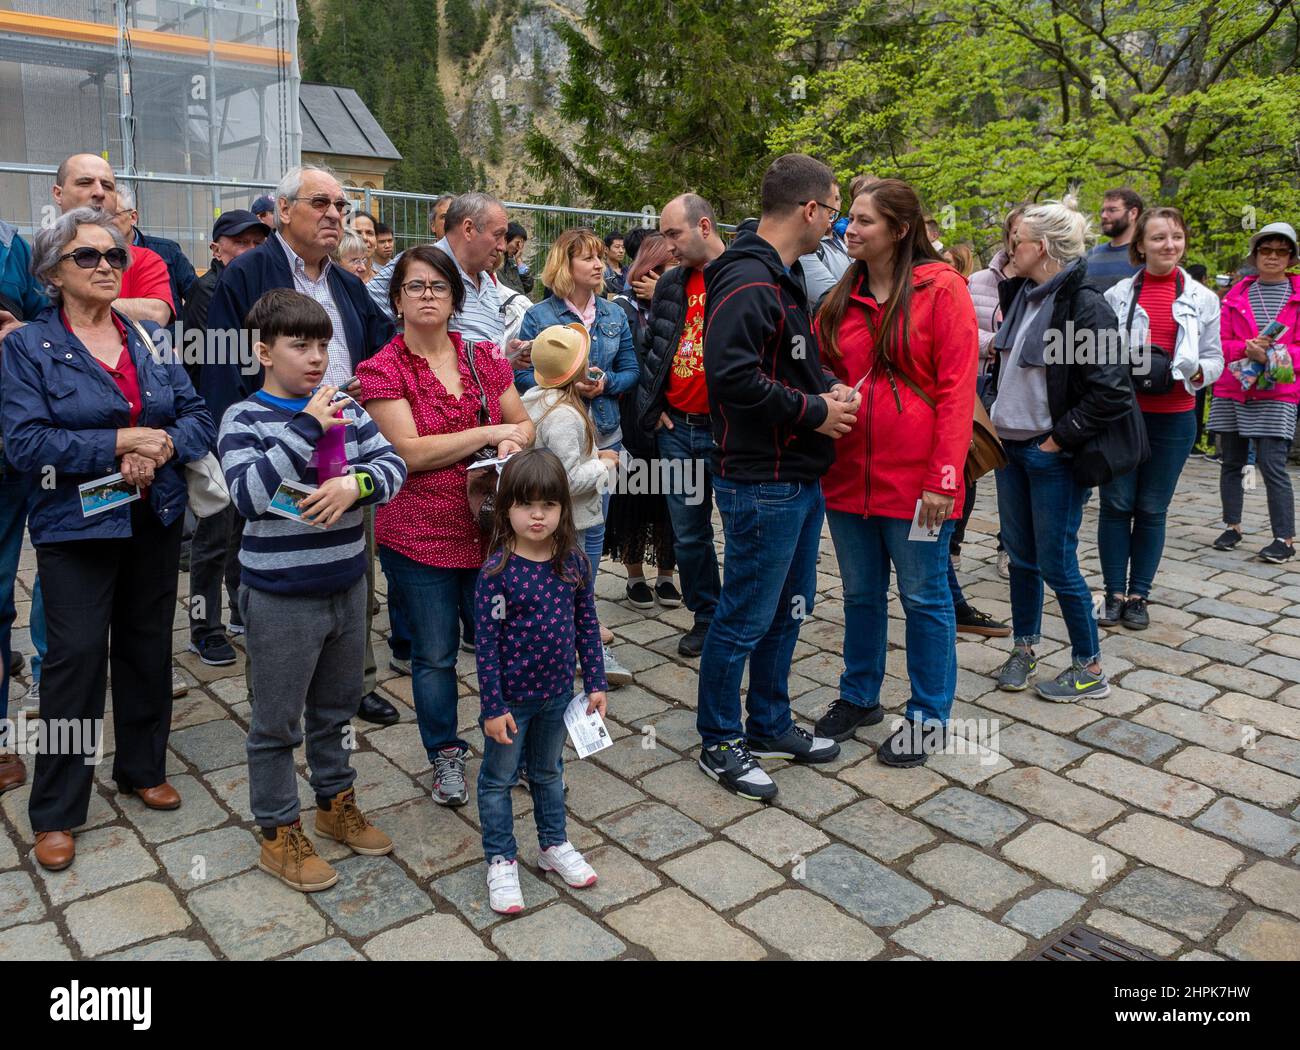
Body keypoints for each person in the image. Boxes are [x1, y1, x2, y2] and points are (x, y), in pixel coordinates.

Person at [0, 208, 214, 871]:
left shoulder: (149, 339)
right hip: (76, 526)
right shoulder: (26, 346)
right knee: (75, 659)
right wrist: (122, 441)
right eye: (86, 257)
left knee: (149, 645)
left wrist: (163, 444)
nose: (104, 267)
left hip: (154, 517)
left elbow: (198, 415)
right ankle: (58, 809)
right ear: (53, 273)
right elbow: (24, 442)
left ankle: (141, 766)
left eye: (114, 257)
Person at [217, 289, 406, 892]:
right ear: (264, 351)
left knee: (335, 709)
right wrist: (304, 428)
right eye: (300, 345)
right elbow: (246, 496)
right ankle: (278, 833)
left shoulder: (349, 407)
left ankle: (334, 804)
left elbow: (394, 467)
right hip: (279, 595)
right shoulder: (244, 418)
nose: (317, 357)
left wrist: (357, 486)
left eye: (323, 344)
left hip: (347, 586)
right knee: (276, 722)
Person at [202, 164, 400, 726]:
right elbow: (219, 365)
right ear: (285, 210)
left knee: (349, 557)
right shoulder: (248, 273)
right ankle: (273, 692)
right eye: (321, 203)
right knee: (279, 567)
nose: (335, 214)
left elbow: (382, 347)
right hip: (273, 442)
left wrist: (368, 385)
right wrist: (237, 450)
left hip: (341, 440)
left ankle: (353, 680)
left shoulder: (346, 282)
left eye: (341, 205)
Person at [695, 154, 861, 801]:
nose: (837, 222)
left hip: (797, 475)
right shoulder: (747, 279)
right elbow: (732, 376)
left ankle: (766, 722)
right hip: (763, 481)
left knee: (787, 611)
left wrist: (825, 388)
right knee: (742, 617)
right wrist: (815, 410)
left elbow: (788, 364)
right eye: (834, 207)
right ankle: (718, 740)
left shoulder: (782, 277)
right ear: (810, 210)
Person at [357, 245, 533, 808]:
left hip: (492, 530)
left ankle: (513, 748)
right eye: (416, 287)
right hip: (419, 533)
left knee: (502, 645)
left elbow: (524, 423)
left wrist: (509, 436)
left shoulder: (483, 357)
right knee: (433, 654)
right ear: (397, 299)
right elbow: (407, 452)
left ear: (456, 297)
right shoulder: (382, 368)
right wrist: (487, 434)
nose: (427, 296)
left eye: (438, 286)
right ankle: (445, 754)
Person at [811, 178, 977, 763]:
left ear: (900, 230)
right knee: (859, 594)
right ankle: (860, 696)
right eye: (847, 219)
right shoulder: (839, 297)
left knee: (924, 597)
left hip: (919, 486)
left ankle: (929, 714)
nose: (848, 229)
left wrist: (943, 479)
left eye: (863, 221)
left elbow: (958, 392)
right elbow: (820, 371)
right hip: (848, 476)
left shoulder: (942, 290)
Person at [988, 197, 1134, 701]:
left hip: (1050, 456)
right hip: (1011, 452)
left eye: (1017, 240)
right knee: (1021, 560)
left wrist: (1055, 441)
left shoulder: (1084, 305)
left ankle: (1090, 666)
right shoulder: (1024, 295)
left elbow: (1110, 389)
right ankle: (1025, 648)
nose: (1010, 247)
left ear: (1042, 247)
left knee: (1057, 563)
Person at [474, 449, 606, 913]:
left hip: (556, 697)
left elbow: (587, 623)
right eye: (526, 504)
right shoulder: (496, 573)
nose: (537, 515)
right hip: (510, 703)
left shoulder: (572, 561)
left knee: (549, 772)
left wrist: (595, 681)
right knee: (499, 778)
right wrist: (492, 707)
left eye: (548, 505)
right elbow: (485, 648)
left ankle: (553, 844)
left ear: (562, 509)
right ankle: (501, 859)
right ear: (506, 506)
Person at [516, 228, 639, 685]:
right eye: (586, 259)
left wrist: (605, 384)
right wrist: (562, 385)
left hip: (603, 434)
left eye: (599, 259)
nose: (598, 266)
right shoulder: (539, 315)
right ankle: (562, 631)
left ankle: (581, 625)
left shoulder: (613, 313)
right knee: (553, 541)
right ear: (563, 266)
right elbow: (525, 377)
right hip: (558, 442)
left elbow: (632, 370)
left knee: (590, 535)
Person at [1098, 206, 1223, 628]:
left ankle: (1139, 596)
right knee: (1116, 504)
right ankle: (1113, 591)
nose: (1169, 245)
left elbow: (1215, 357)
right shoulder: (1117, 294)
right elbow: (1098, 355)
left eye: (1176, 236)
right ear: (1140, 245)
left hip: (1174, 417)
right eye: (1158, 238)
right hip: (1123, 417)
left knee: (1152, 508)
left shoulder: (1202, 298)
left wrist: (1197, 371)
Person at [636, 194, 728, 656]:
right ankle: (706, 615)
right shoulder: (672, 284)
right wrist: (655, 410)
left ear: (704, 227)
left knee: (741, 531)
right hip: (678, 433)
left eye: (673, 234)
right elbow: (650, 345)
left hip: (727, 434)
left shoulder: (740, 279)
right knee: (689, 533)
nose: (667, 246)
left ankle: (741, 621)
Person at [182, 209, 270, 664]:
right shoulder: (209, 290)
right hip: (217, 422)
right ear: (218, 249)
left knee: (245, 526)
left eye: (259, 242)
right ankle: (204, 626)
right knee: (215, 530)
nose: (251, 250)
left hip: (258, 423)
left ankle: (240, 609)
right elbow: (220, 362)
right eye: (241, 242)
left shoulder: (265, 286)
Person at [1209, 221, 1299, 563]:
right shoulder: (1234, 296)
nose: (1273, 257)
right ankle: (1232, 526)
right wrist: (1245, 350)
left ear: (1290, 257)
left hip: (1277, 392)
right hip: (1233, 388)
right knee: (1230, 461)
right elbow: (1218, 342)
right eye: (1266, 250)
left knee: (1272, 464)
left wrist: (1273, 354)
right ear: (1256, 254)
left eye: (1281, 251)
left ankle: (1284, 538)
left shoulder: (1297, 296)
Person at [0, 216, 49, 794]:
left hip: (20, 450)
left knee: (45, 583)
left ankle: (46, 690)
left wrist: (23, 332)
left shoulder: (13, 246)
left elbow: (52, 318)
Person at [607, 232, 680, 608]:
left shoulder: (685, 303)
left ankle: (667, 574)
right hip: (635, 418)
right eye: (669, 269)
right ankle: (635, 575)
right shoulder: (620, 308)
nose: (676, 275)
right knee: (634, 496)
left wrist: (669, 302)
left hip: (678, 417)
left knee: (675, 497)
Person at [968, 205, 1026, 581]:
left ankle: (1010, 547)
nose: (1022, 239)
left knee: (1014, 472)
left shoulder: (1043, 282)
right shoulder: (978, 282)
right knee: (967, 464)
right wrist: (997, 344)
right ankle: (953, 544)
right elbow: (961, 332)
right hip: (979, 382)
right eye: (1017, 231)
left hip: (1018, 389)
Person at [51, 154, 174, 325]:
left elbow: (156, 314)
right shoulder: (31, 256)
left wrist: (80, 305)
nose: (99, 192)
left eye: (108, 186)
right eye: (85, 183)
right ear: (58, 193)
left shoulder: (144, 259)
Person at [370, 193, 508, 344]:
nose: (502, 246)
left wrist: (506, 355)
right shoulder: (418, 264)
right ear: (468, 229)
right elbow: (362, 312)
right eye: (497, 235)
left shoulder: (487, 282)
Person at [112, 184, 197, 313]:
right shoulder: (97, 258)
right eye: (101, 216)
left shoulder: (168, 251)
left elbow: (196, 297)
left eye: (113, 215)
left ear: (133, 217)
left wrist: (184, 330)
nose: (106, 221)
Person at [1085, 187, 1144, 293]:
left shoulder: (1146, 256)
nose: (1104, 216)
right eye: (1103, 211)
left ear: (1133, 213)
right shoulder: (1090, 255)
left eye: (1112, 210)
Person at [499, 221, 534, 295]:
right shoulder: (496, 264)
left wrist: (519, 260)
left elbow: (527, 286)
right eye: (517, 243)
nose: (519, 248)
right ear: (506, 239)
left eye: (521, 244)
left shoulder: (511, 263)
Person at [602, 231, 627, 295]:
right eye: (617, 247)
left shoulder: (628, 270)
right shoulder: (601, 272)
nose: (621, 251)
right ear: (606, 249)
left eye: (623, 247)